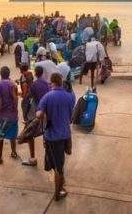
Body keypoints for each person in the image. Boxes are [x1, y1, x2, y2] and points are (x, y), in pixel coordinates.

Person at [36, 73, 76, 201]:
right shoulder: (69, 96)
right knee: (58, 162)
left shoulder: (47, 97)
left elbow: (38, 115)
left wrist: (43, 113)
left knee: (58, 166)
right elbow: (72, 115)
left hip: (52, 137)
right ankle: (61, 184)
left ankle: (57, 194)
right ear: (61, 82)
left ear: (52, 83)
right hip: (65, 134)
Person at [0, 66, 18, 164]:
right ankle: (14, 152)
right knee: (13, 134)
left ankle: (0, 156)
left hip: (2, 116)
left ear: (1, 74)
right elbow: (16, 100)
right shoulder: (13, 84)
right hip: (13, 115)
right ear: (8, 74)